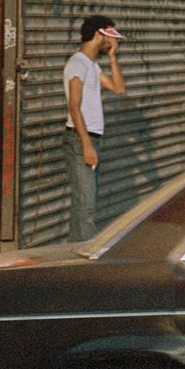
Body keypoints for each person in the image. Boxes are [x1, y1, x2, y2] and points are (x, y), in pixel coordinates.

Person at [63, 16, 127, 241]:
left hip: (91, 138)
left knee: (85, 203)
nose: (111, 43)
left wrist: (112, 58)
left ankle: (71, 252)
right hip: (82, 140)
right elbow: (74, 106)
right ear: (98, 35)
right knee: (86, 205)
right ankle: (84, 253)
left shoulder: (91, 65)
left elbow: (118, 88)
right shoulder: (77, 63)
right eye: (109, 39)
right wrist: (86, 144)